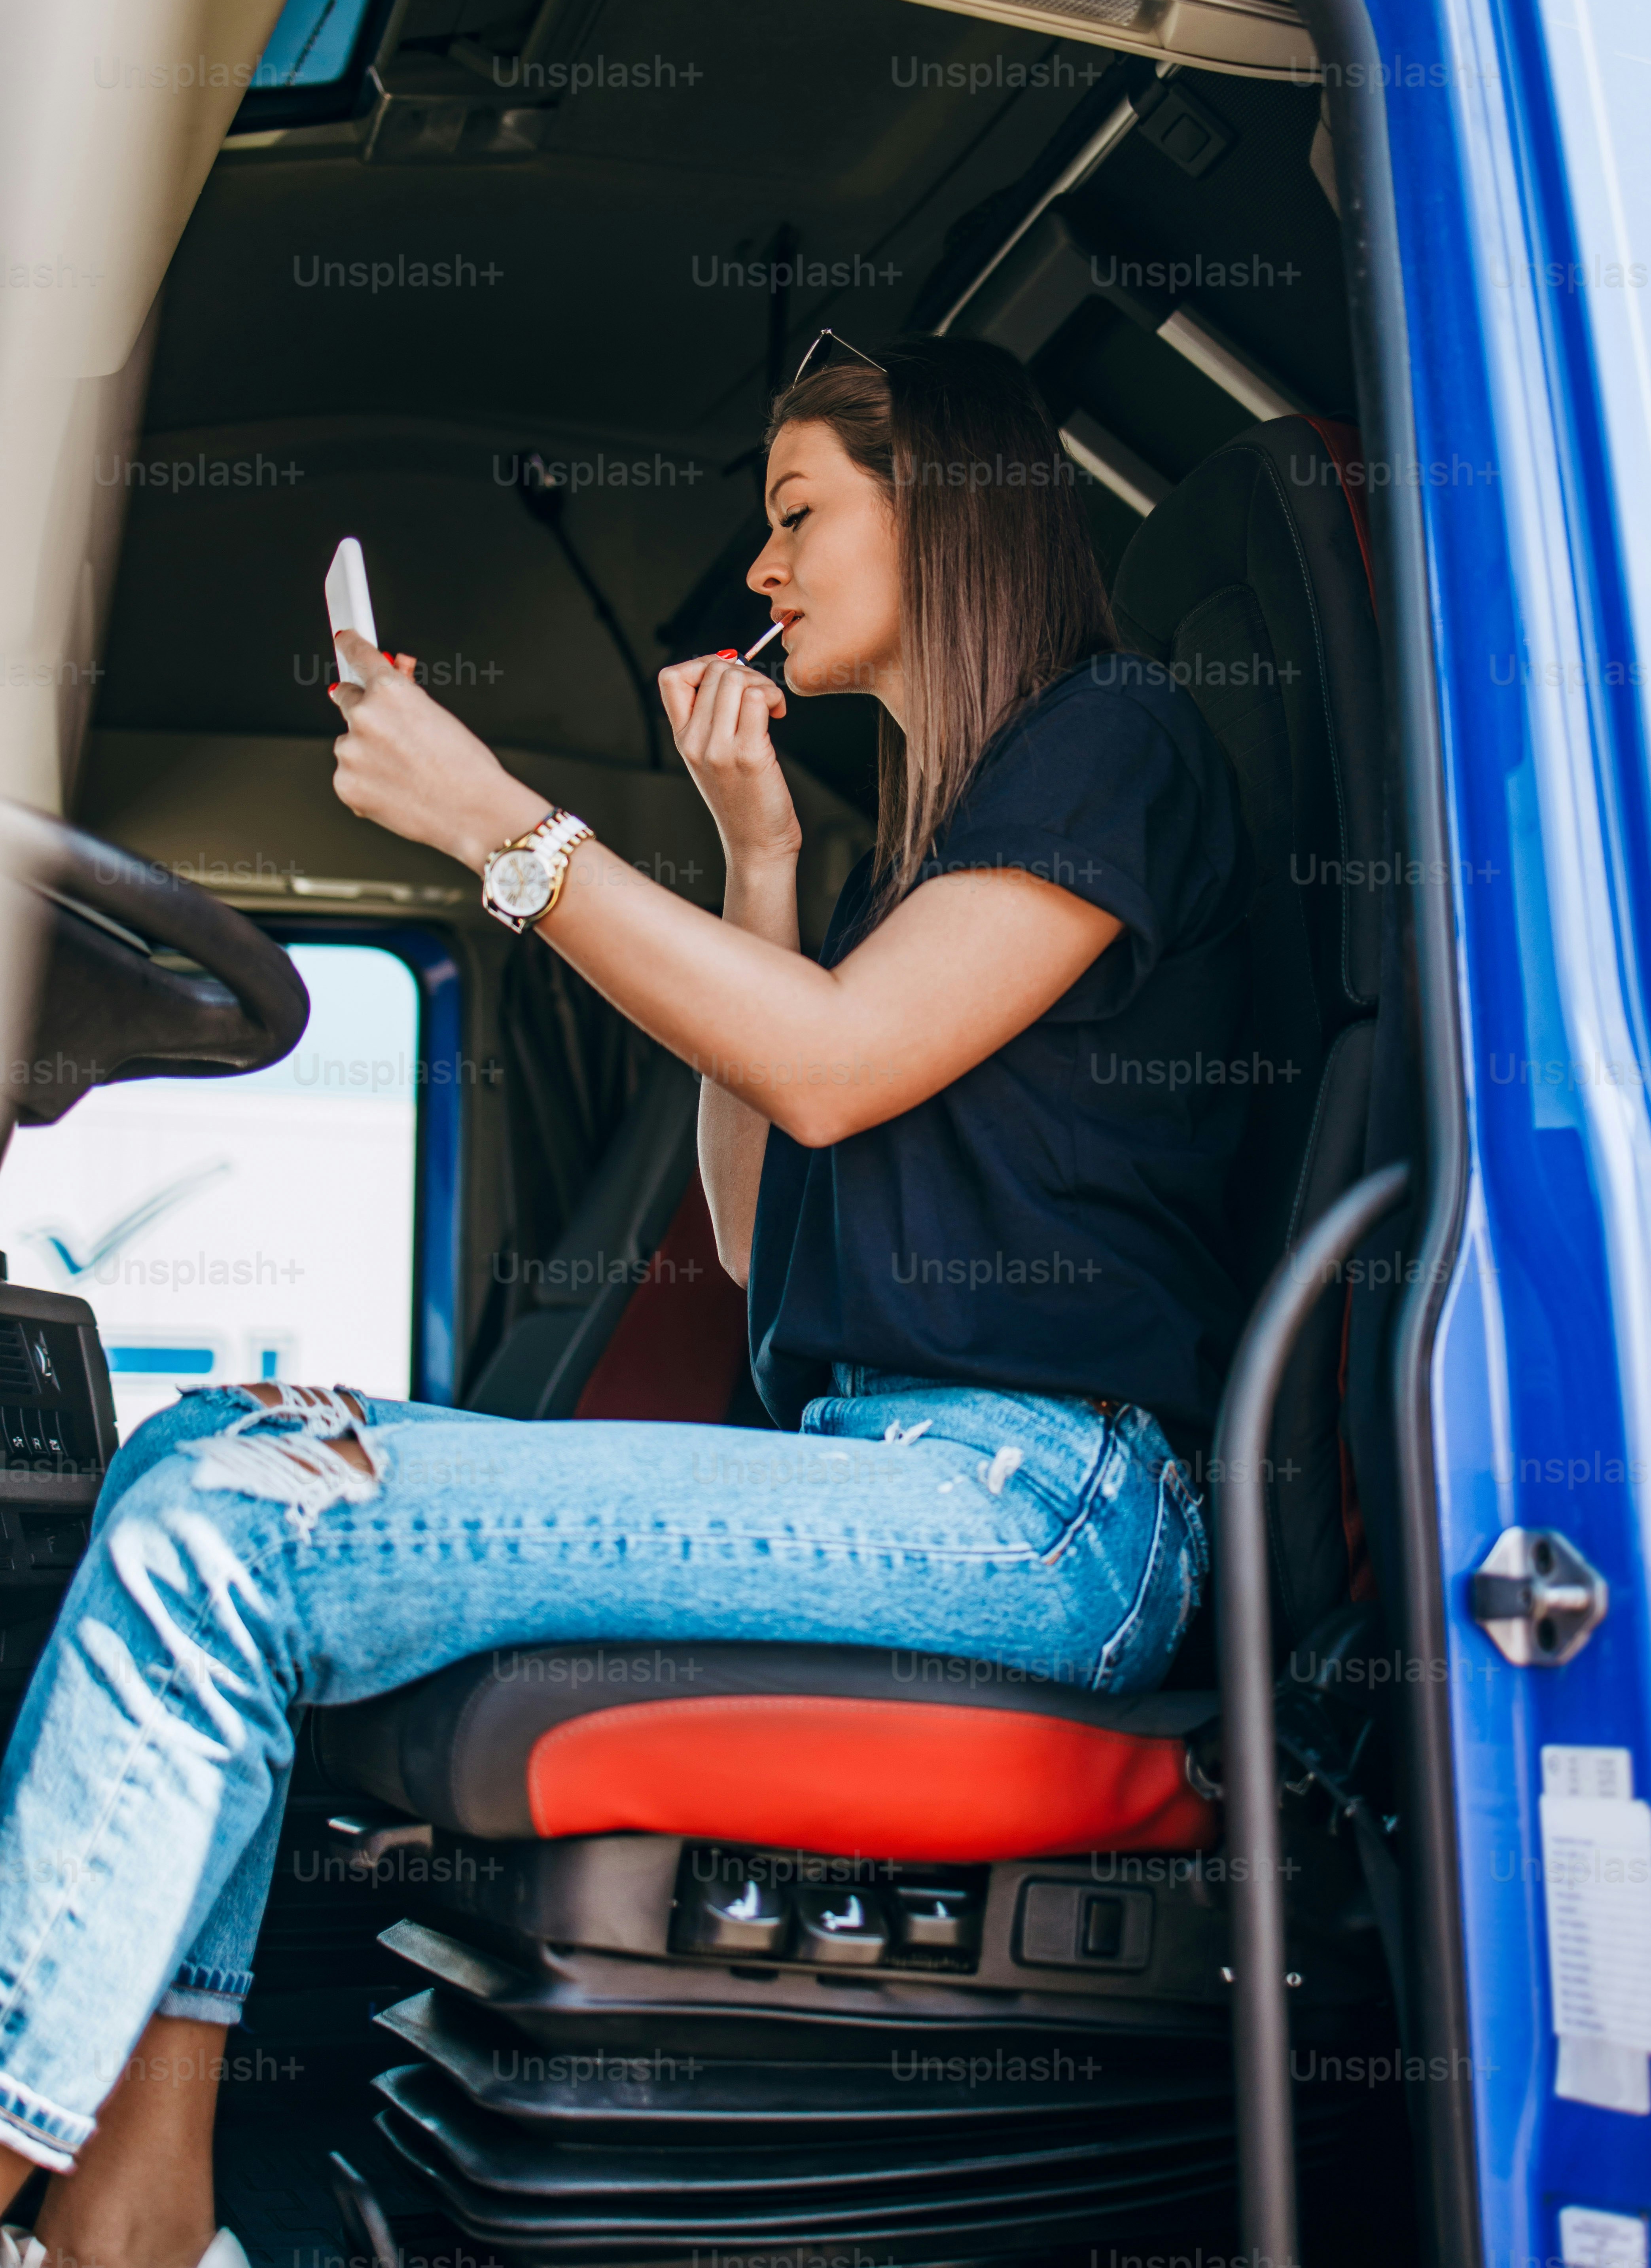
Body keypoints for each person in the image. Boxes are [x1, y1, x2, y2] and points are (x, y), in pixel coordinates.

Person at [0, 337, 1251, 2267]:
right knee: (205, 1454)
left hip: (1039, 1512)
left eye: (795, 511)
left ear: (954, 508)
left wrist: (497, 822)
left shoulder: (1114, 740)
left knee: (238, 1527)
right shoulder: (913, 863)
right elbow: (754, 1230)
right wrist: (760, 858)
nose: (762, 569)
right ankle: (134, 2221)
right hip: (907, 1477)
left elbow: (830, 1068)